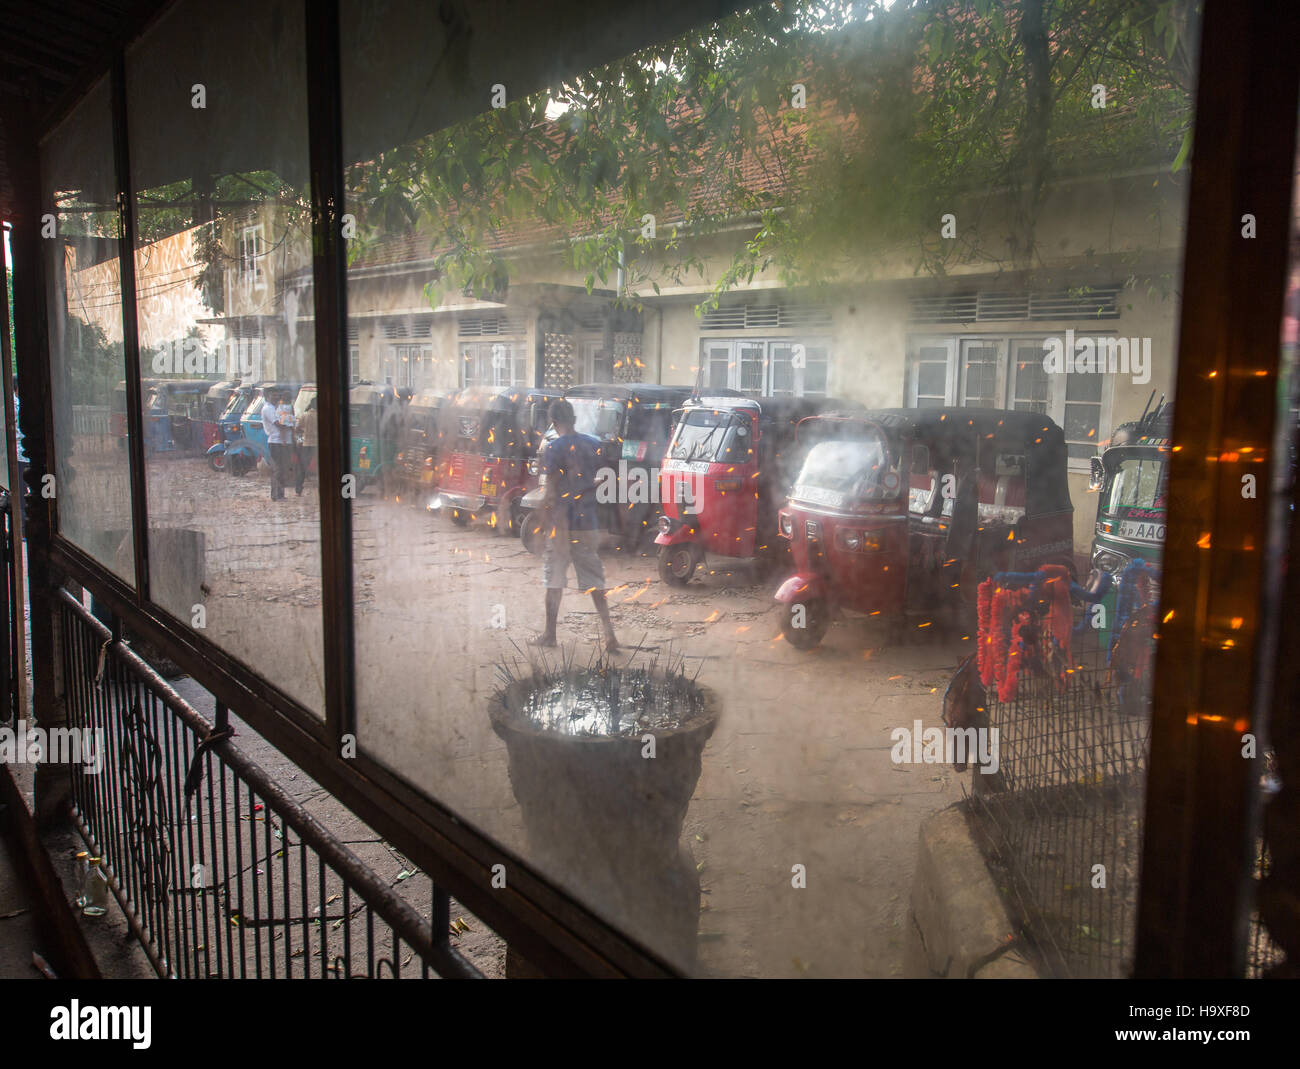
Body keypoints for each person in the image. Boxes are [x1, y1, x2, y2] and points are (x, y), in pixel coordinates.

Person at [532, 398, 619, 652]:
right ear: (574, 419)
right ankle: (609, 634)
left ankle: (550, 635)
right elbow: (602, 478)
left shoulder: (553, 448)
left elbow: (550, 492)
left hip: (561, 524)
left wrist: (544, 521)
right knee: (594, 579)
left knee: (554, 579)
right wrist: (587, 489)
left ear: (554, 422)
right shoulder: (593, 444)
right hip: (587, 523)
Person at [261, 388, 292, 501]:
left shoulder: (276, 408)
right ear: (267, 396)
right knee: (278, 469)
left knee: (282, 469)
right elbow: (279, 424)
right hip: (275, 442)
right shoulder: (268, 409)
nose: (276, 397)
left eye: (277, 395)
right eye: (273, 395)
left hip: (281, 442)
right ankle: (276, 495)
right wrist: (291, 424)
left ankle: (280, 494)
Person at [296, 397, 318, 492]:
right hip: (317, 445)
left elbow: (297, 429)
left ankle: (298, 489)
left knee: (302, 467)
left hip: (306, 444)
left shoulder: (304, 415)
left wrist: (302, 435)